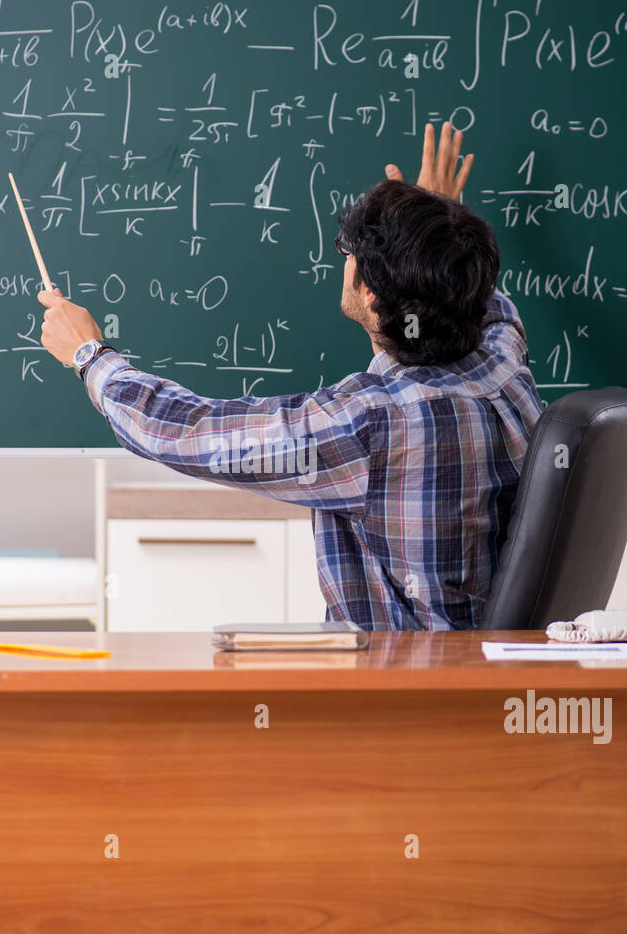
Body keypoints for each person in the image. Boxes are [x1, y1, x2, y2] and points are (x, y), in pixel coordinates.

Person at [38, 123, 543, 629]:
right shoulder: (504, 366)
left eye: (348, 256)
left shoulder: (371, 425)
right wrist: (431, 230)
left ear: (368, 292)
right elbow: (483, 306)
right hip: (479, 674)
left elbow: (188, 432)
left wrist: (89, 355)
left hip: (396, 692)